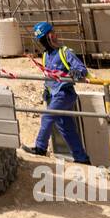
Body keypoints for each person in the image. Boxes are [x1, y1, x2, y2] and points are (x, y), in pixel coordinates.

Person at [20, 21, 91, 164]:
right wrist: (46, 90)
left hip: (64, 93)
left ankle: (40, 147)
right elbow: (49, 75)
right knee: (66, 128)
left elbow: (82, 69)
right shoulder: (46, 56)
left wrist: (75, 72)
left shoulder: (64, 52)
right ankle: (81, 158)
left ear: (50, 36)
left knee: (47, 116)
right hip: (54, 95)